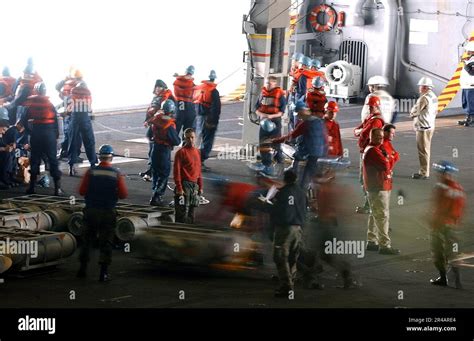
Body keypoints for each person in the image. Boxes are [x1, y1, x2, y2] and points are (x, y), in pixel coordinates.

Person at [77, 144, 128, 282]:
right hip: (107, 211)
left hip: (91, 210)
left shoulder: (91, 172)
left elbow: (82, 191)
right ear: (111, 157)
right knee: (106, 242)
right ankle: (103, 273)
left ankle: (82, 269)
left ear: (99, 157)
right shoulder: (116, 173)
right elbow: (123, 194)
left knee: (87, 240)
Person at [16, 82, 63, 195]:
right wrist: (55, 136)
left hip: (36, 133)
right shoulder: (50, 104)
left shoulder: (31, 105)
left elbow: (22, 122)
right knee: (52, 160)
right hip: (49, 134)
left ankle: (32, 187)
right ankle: (57, 188)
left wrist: (29, 132)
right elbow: (56, 123)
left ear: (36, 91)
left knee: (35, 160)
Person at [272, 100, 327, 191]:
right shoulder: (318, 121)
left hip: (308, 154)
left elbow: (292, 135)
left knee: (302, 176)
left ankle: (298, 192)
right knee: (311, 174)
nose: (298, 116)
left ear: (302, 111)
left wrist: (276, 140)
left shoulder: (306, 124)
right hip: (319, 153)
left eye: (298, 114)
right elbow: (324, 138)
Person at [270, 169, 307, 297]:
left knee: (280, 257)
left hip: (285, 228)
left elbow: (278, 210)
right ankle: (291, 278)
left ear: (285, 179)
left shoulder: (283, 193)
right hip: (298, 228)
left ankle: (286, 286)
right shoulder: (301, 192)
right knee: (292, 256)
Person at [429, 161, 466, 288]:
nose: (438, 175)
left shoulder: (440, 187)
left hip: (440, 224)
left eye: (440, 172)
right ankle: (457, 280)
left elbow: (438, 208)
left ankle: (443, 278)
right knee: (452, 252)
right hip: (453, 225)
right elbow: (461, 207)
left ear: (444, 173)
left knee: (437, 252)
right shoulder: (459, 188)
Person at [363, 128, 399, 255]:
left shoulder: (373, 149)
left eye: (381, 137)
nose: (380, 139)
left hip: (377, 186)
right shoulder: (374, 151)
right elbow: (386, 165)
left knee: (375, 214)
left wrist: (388, 157)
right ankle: (384, 245)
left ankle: (372, 240)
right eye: (377, 137)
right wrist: (389, 157)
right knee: (382, 216)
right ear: (372, 137)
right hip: (378, 187)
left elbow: (391, 159)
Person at [354, 96, 385, 214]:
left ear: (377, 106)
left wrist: (359, 132)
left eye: (371, 106)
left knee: (365, 179)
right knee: (365, 179)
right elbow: (359, 129)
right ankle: (370, 205)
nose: (370, 108)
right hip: (366, 152)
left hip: (369, 153)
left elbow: (364, 133)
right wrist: (360, 131)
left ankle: (369, 205)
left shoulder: (375, 120)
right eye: (369, 106)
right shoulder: (371, 118)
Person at [140, 79, 175, 180]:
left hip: (161, 125)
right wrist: (147, 120)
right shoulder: (156, 98)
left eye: (159, 87)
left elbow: (170, 112)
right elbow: (151, 110)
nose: (157, 89)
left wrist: (151, 121)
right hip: (155, 124)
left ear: (164, 88)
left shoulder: (168, 98)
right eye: (156, 87)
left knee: (157, 149)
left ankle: (154, 172)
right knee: (152, 147)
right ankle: (151, 170)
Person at [149, 99, 181, 206]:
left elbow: (149, 134)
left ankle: (154, 192)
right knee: (164, 174)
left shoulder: (156, 119)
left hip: (155, 149)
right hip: (164, 151)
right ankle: (157, 196)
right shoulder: (169, 125)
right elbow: (176, 141)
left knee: (156, 172)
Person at [255, 76, 286, 175]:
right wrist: (263, 115)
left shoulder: (280, 95)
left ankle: (276, 162)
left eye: (270, 83)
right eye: (267, 83)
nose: (268, 85)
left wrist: (271, 116)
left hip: (275, 121)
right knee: (263, 144)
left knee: (275, 143)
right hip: (264, 122)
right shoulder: (262, 94)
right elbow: (256, 109)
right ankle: (267, 164)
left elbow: (282, 111)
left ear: (274, 84)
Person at [410, 77, 437, 180]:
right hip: (430, 126)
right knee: (426, 149)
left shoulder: (424, 98)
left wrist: (411, 113)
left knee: (423, 151)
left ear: (425, 87)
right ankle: (425, 171)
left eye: (420, 86)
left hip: (423, 127)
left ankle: (424, 173)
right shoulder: (433, 96)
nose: (419, 88)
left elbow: (415, 111)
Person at [173, 128, 203, 224]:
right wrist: (179, 188)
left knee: (191, 213)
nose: (190, 140)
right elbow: (176, 172)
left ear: (195, 138)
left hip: (194, 187)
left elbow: (198, 171)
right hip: (184, 186)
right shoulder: (180, 153)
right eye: (188, 138)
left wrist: (200, 187)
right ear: (184, 139)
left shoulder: (197, 152)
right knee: (181, 213)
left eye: (192, 137)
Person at [68, 82, 97, 176]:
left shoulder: (73, 93)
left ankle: (71, 167)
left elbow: (69, 107)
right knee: (89, 141)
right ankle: (92, 164)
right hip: (85, 118)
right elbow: (89, 108)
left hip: (75, 118)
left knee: (73, 142)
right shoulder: (87, 93)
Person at [194, 70, 221, 171]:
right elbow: (216, 108)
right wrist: (213, 122)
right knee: (207, 141)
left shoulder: (199, 88)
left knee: (198, 139)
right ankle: (200, 161)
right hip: (208, 118)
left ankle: (194, 160)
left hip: (199, 117)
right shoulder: (214, 91)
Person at [173, 66, 196, 135]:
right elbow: (191, 94)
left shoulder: (177, 81)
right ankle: (186, 144)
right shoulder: (191, 83)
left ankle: (171, 143)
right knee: (188, 130)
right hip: (189, 109)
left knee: (176, 129)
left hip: (179, 109)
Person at [459, 41, 474, 127]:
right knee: (466, 103)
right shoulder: (470, 60)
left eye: (469, 50)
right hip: (466, 86)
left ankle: (472, 120)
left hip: (471, 86)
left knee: (471, 104)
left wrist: (464, 64)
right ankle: (468, 118)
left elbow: (472, 72)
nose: (467, 52)